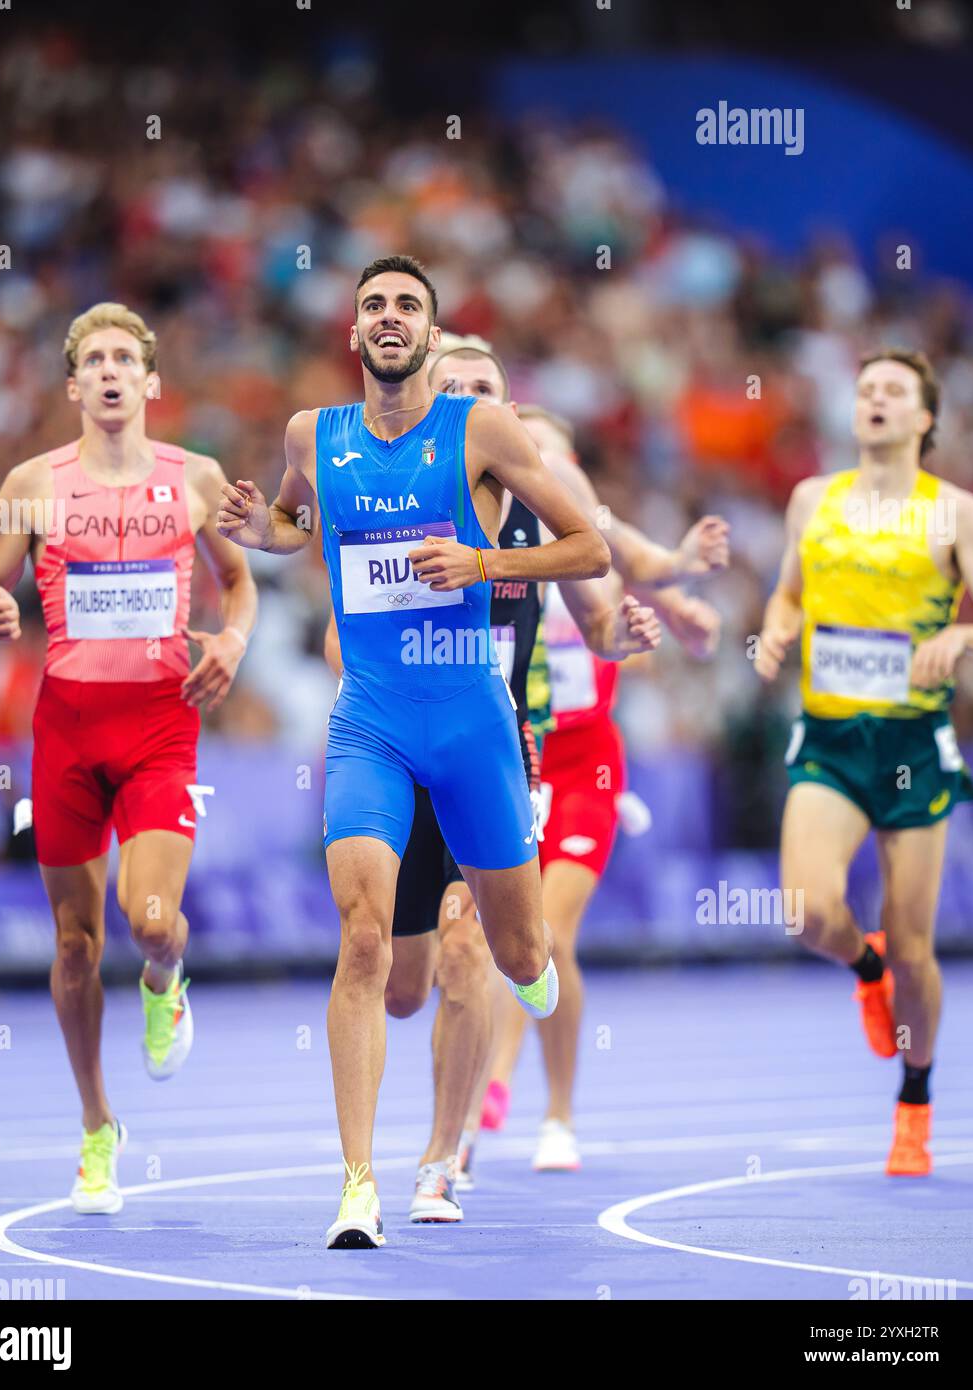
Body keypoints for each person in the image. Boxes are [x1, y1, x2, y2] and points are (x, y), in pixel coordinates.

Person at [217, 254, 612, 1248]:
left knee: (514, 948)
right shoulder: (314, 434)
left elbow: (590, 550)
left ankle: (523, 999)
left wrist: (485, 560)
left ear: (430, 336)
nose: (390, 318)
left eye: (408, 306)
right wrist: (249, 526)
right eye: (374, 306)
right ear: (353, 334)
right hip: (373, 721)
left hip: (475, 722)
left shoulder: (478, 429)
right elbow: (291, 522)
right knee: (366, 945)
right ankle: (360, 1182)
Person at [322, 334, 661, 1222]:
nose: (472, 401)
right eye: (455, 387)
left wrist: (628, 632)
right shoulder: (394, 496)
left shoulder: (537, 506)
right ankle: (519, 970)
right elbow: (336, 629)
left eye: (488, 390)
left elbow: (597, 617)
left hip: (498, 750)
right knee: (399, 987)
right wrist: (369, 671)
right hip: (397, 741)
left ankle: (442, 1156)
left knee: (477, 950)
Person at [0, 303, 257, 1215]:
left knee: (153, 919)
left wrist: (233, 642)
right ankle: (97, 1128)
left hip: (162, 727)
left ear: (151, 382)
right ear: (75, 386)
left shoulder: (196, 479)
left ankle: (166, 979)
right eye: (95, 360)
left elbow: (240, 583)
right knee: (74, 944)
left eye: (127, 357)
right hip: (68, 733)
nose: (113, 371)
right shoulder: (33, 483)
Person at [755, 348, 973, 1176]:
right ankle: (863, 963)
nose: (875, 400)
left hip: (911, 745)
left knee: (919, 947)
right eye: (865, 390)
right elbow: (787, 590)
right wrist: (779, 625)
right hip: (829, 739)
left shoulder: (954, 513)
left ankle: (914, 1099)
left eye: (893, 391)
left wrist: (961, 635)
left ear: (924, 417)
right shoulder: (811, 500)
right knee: (806, 913)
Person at [479, 406, 729, 1172]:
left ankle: (509, 1087)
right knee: (535, 945)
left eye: (553, 456)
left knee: (543, 932)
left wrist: (680, 588)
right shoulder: (476, 528)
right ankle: (555, 1110)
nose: (539, 469)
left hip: (584, 761)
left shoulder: (587, 526)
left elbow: (644, 569)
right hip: (506, 756)